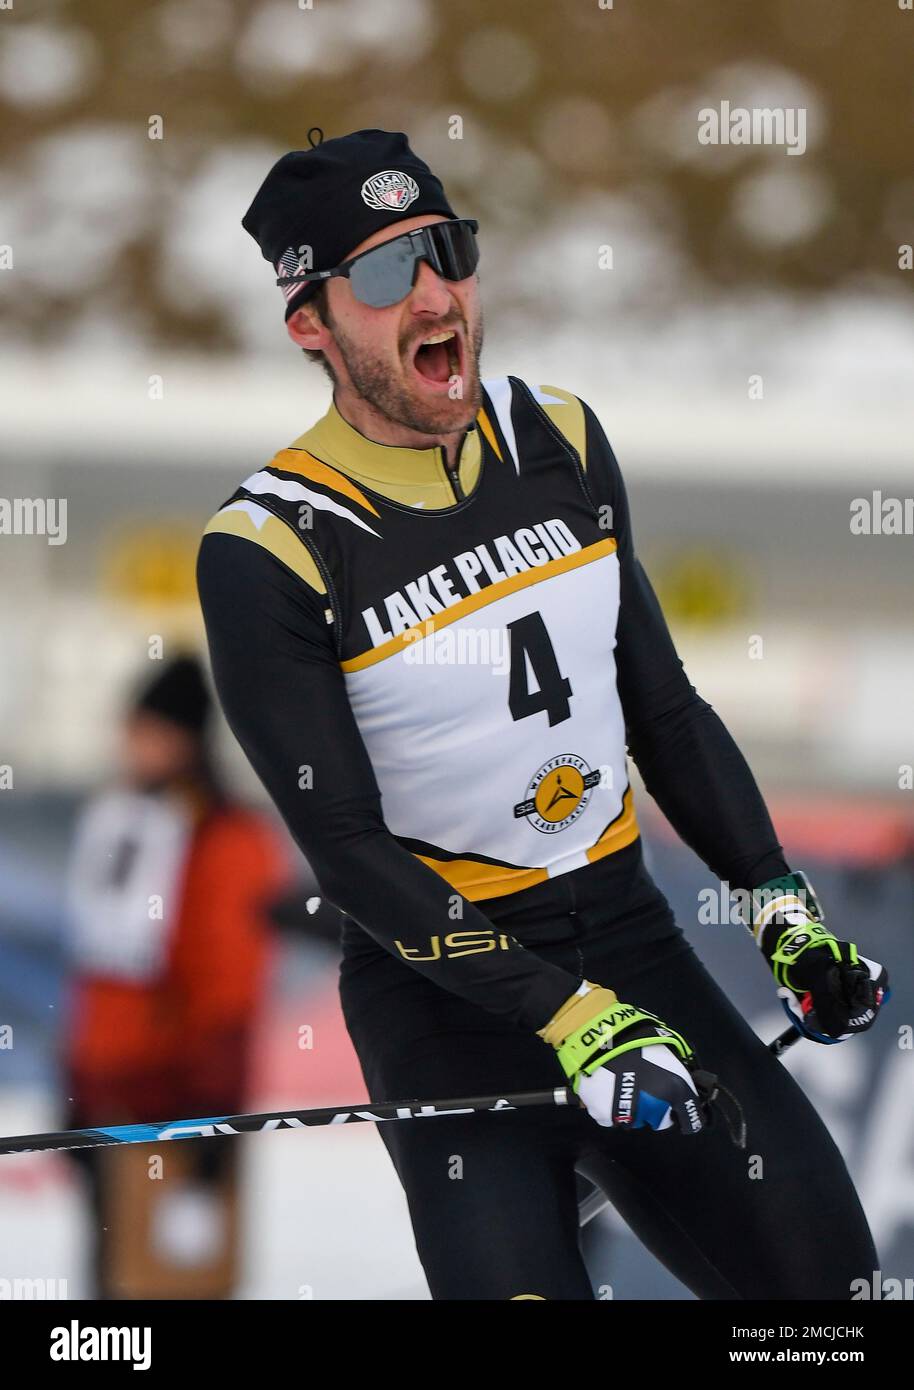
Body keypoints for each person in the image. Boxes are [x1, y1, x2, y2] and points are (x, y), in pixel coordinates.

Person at [196, 129, 889, 1300]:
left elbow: (660, 707)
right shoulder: (268, 545)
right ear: (309, 323)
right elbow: (347, 851)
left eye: (447, 250)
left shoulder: (555, 435)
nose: (434, 294)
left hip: (627, 943)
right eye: (380, 274)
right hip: (446, 995)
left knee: (834, 1301)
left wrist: (777, 904)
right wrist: (559, 1015)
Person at [63, 654, 288, 1297]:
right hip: (107, 1092)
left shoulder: (228, 840)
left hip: (172, 1102)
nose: (130, 745)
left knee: (169, 1286)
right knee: (112, 1285)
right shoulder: (119, 819)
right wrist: (76, 1073)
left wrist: (208, 1115)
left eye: (147, 730)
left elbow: (229, 986)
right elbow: (97, 968)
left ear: (184, 739)